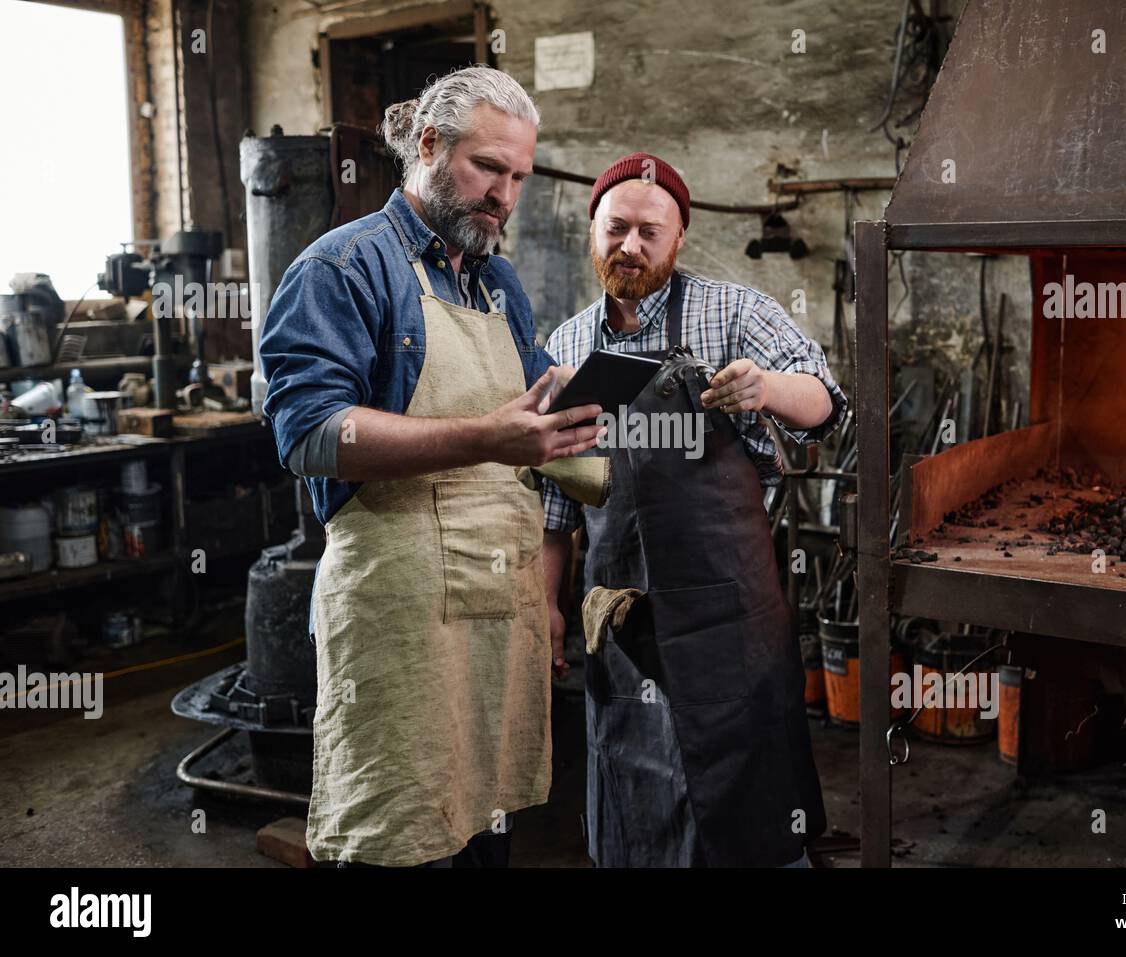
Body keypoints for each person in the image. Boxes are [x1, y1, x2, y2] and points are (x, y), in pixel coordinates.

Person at [259, 66, 604, 868]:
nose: (504, 195)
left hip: (491, 622)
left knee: (482, 832)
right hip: (400, 625)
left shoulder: (496, 283)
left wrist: (624, 417)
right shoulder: (342, 268)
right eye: (489, 167)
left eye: (518, 176)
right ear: (427, 144)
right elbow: (309, 432)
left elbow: (537, 412)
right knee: (400, 836)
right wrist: (487, 436)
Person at [542, 152, 848, 867]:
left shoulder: (732, 312)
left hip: (728, 613)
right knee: (638, 791)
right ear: (593, 230)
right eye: (617, 228)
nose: (631, 246)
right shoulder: (565, 346)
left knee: (754, 805)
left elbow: (825, 402)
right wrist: (544, 601)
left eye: (651, 231)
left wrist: (768, 387)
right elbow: (557, 495)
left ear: (679, 238)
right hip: (621, 615)